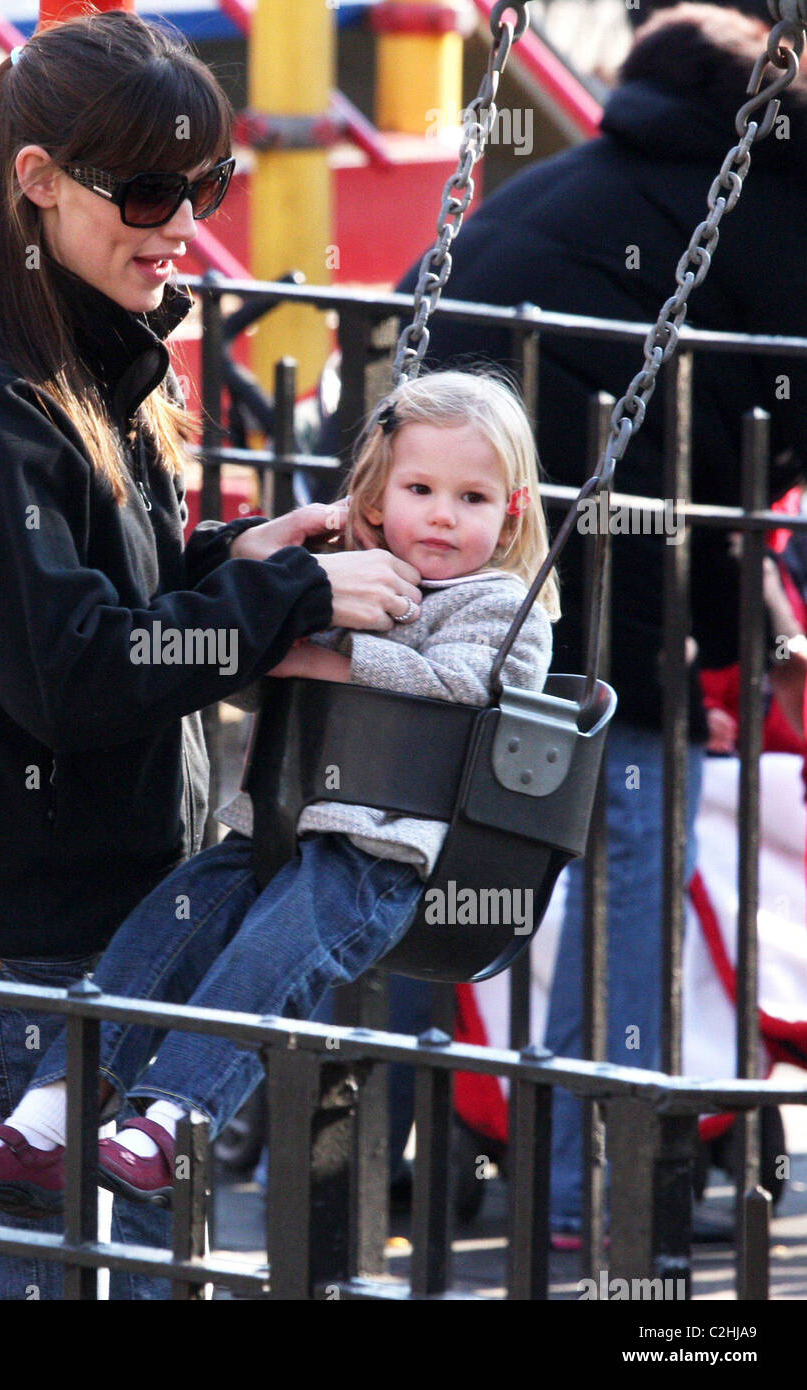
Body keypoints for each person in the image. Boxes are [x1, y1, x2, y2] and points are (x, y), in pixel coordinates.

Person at [0, 11, 419, 1299]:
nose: (183, 221)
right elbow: (68, 673)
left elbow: (107, 601)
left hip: (94, 927)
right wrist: (289, 592)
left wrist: (237, 559)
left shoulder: (86, 367)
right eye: (150, 189)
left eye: (205, 184)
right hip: (1, 948)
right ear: (36, 181)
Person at [0, 368, 557, 1211]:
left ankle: (172, 1115)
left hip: (379, 851)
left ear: (509, 511)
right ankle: (48, 1115)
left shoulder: (505, 605)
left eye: (471, 498)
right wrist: (275, 602)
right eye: (420, 488)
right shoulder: (345, 577)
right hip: (272, 826)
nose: (441, 514)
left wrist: (322, 653)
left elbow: (464, 692)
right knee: (151, 942)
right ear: (376, 492)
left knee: (264, 960)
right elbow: (252, 674)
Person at [390, 2, 807, 1241]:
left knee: (400, 849)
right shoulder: (769, 209)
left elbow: (708, 438)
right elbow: (730, 470)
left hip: (419, 529)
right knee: (636, 842)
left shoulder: (595, 176)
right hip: (582, 553)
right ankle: (590, 1183)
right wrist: (740, 650)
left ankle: (355, 1153)